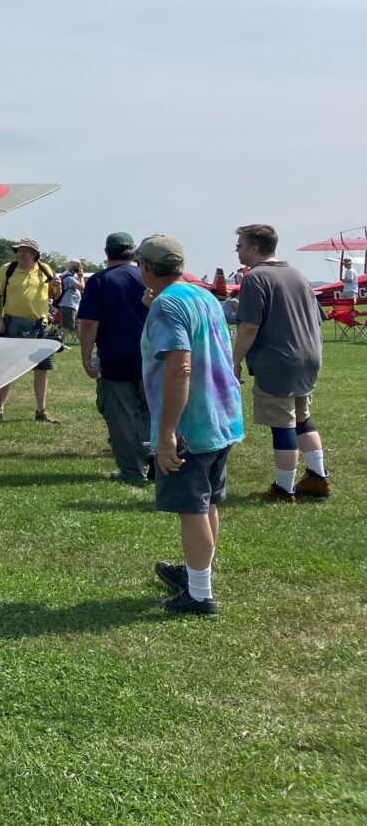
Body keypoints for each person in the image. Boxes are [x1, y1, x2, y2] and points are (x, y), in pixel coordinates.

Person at [136, 235, 244, 617]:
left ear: (146, 267)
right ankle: (199, 575)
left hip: (191, 425)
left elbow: (179, 366)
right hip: (220, 416)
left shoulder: (167, 305)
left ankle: (199, 594)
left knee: (192, 508)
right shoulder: (202, 296)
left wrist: (166, 434)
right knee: (207, 501)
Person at [232, 224, 329, 501]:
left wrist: (234, 360)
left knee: (282, 424)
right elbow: (317, 319)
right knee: (302, 418)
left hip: (278, 360)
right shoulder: (297, 274)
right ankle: (317, 478)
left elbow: (250, 326)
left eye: (240, 245)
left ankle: (284, 490)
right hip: (307, 357)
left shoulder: (255, 278)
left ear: (254, 248)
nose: (237, 250)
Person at [78, 232, 153, 483]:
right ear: (132, 252)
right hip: (152, 357)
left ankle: (132, 471)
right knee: (149, 413)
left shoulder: (100, 281)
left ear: (106, 252)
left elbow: (88, 323)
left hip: (116, 358)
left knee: (121, 417)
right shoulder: (148, 277)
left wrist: (86, 358)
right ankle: (154, 464)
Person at [0, 238, 61, 422]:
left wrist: (58, 287)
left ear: (35, 255)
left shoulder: (45, 269)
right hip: (13, 324)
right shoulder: (8, 269)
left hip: (40, 326)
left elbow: (54, 295)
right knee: (7, 367)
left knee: (41, 369)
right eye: (19, 251)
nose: (21, 254)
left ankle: (41, 411)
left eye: (26, 251)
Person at [57, 261, 85, 344]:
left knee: (77, 325)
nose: (80, 269)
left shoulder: (70, 275)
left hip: (72, 305)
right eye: (79, 267)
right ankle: (58, 344)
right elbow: (81, 287)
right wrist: (81, 277)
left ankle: (83, 342)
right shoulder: (69, 277)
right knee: (66, 326)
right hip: (68, 305)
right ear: (74, 267)